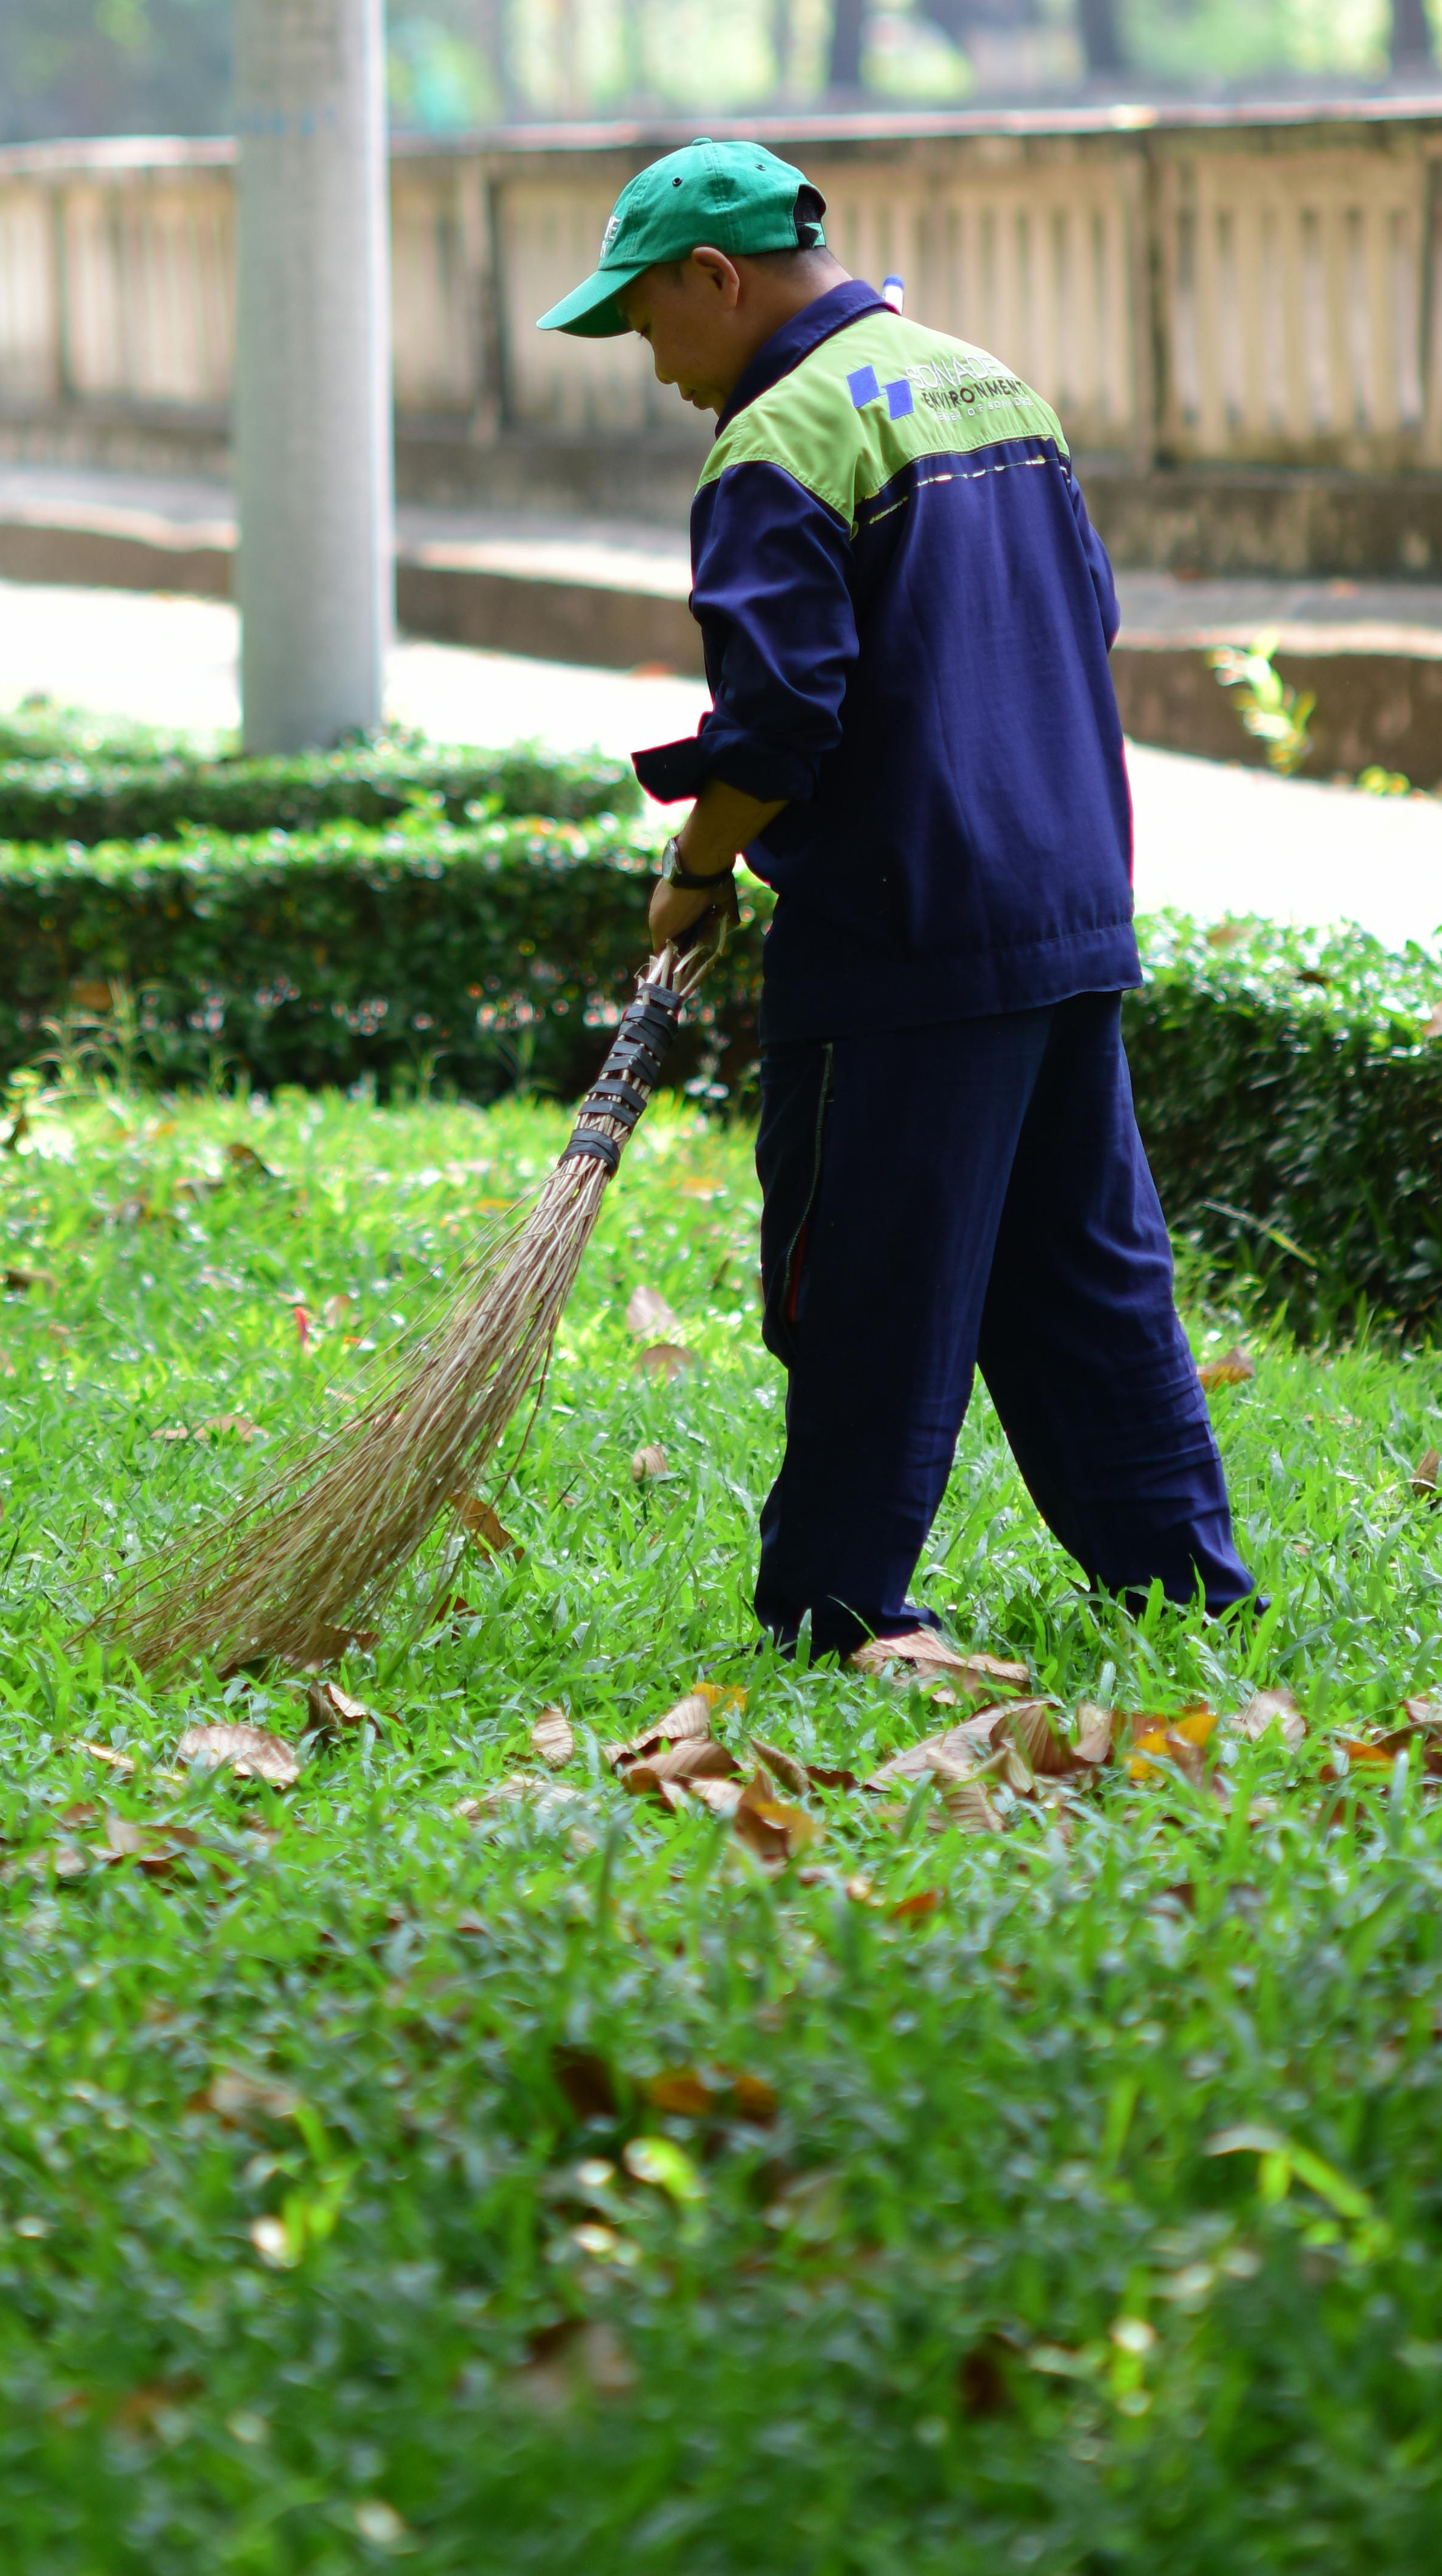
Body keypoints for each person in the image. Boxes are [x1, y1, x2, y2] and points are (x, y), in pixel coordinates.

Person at [535, 134, 1254, 1664]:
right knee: (1083, 1272)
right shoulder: (993, 383)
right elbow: (1082, 619)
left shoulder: (773, 442)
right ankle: (1183, 1582)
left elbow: (782, 720)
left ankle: (833, 1601)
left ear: (712, 277)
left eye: (648, 323)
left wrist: (695, 865)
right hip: (1062, 901)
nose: (655, 367)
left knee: (860, 1269)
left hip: (904, 925)